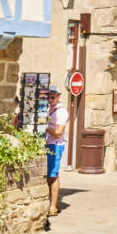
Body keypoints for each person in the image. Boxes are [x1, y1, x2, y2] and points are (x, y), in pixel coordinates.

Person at [44, 86, 67, 216]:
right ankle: (55, 203)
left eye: (53, 97)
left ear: (58, 97)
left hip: (55, 145)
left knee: (53, 175)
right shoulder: (49, 109)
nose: (50, 99)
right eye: (48, 97)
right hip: (49, 143)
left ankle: (53, 207)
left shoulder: (61, 112)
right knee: (49, 176)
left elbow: (58, 133)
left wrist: (46, 128)